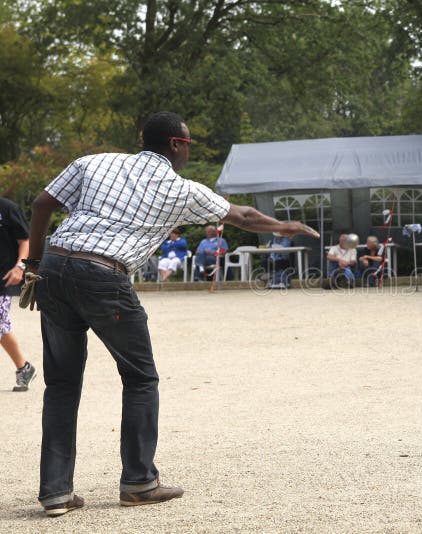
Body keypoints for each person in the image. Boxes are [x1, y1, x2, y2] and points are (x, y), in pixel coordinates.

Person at [24, 111, 319, 516]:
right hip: (105, 275)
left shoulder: (93, 162)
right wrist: (285, 226)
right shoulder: (180, 188)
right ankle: (139, 481)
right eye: (189, 144)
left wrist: (35, 264)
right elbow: (244, 216)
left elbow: (42, 204)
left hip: (55, 267)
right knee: (140, 377)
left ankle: (56, 492)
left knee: (60, 384)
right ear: (177, 145)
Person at [0, 197, 36, 392]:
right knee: (2, 327)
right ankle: (24, 368)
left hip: (4, 276)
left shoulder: (8, 208)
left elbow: (25, 239)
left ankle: (24, 368)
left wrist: (20, 267)